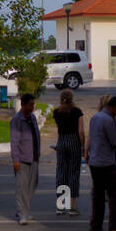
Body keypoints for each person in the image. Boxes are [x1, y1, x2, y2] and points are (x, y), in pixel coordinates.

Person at [86, 93, 116, 231]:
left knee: (98, 194)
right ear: (114, 107)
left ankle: (96, 224)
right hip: (106, 163)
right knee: (115, 194)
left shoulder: (95, 118)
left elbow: (91, 138)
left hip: (94, 161)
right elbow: (114, 141)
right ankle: (114, 226)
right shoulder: (108, 120)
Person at [10, 92, 40, 225]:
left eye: (33, 104)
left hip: (33, 158)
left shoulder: (32, 118)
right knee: (22, 188)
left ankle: (25, 211)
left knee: (31, 187)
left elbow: (36, 135)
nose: (32, 106)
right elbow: (14, 141)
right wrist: (15, 160)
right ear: (22, 105)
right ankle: (22, 214)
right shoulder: (17, 120)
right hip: (22, 159)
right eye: (30, 104)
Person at [52, 88, 84, 216]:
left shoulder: (56, 112)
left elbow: (60, 129)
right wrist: (83, 146)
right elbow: (81, 131)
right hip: (74, 141)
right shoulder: (77, 112)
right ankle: (71, 207)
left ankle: (60, 206)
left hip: (62, 141)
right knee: (73, 173)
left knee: (61, 173)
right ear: (72, 98)